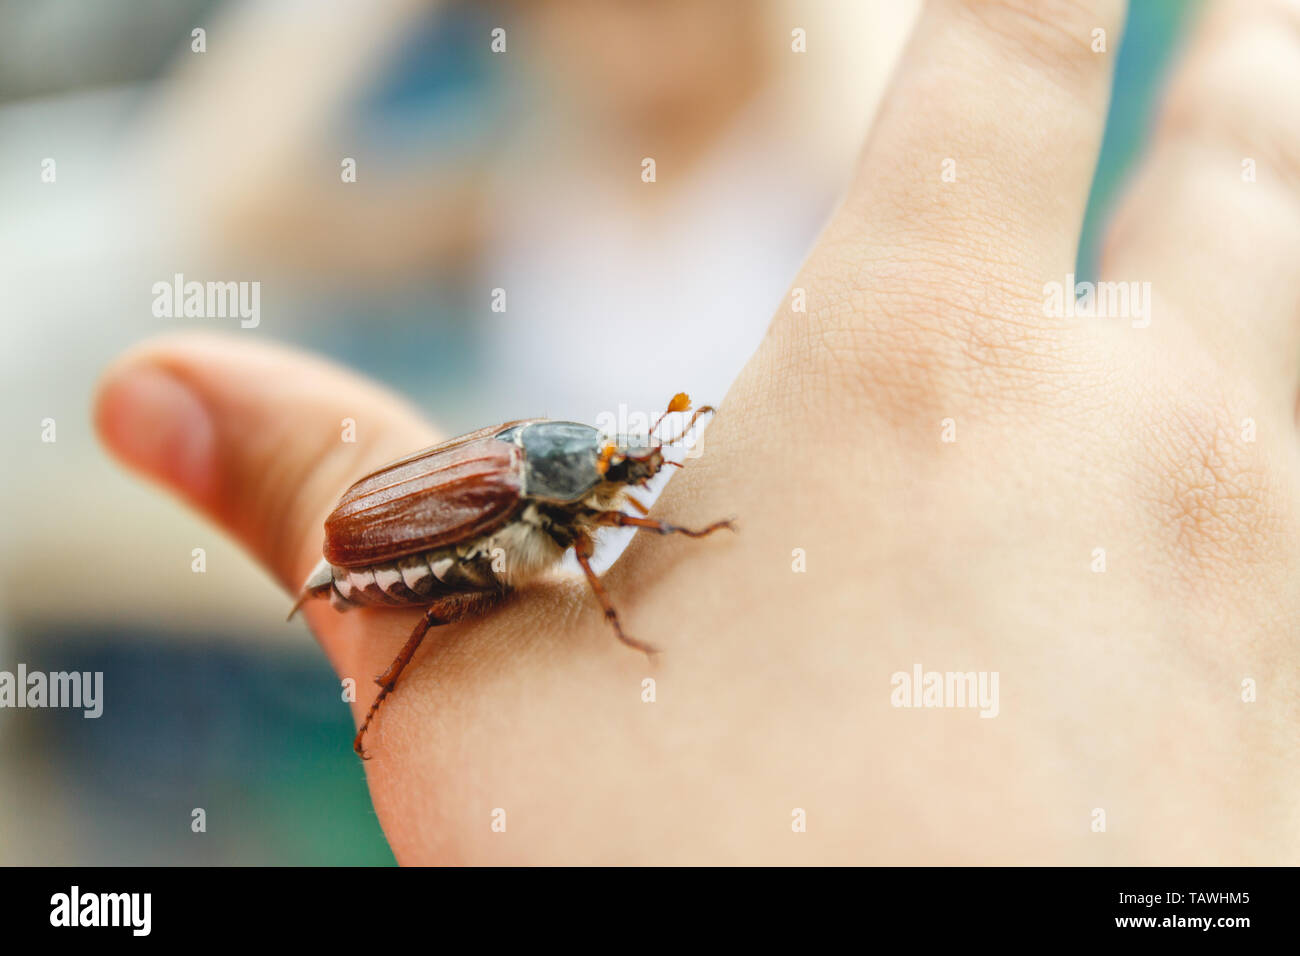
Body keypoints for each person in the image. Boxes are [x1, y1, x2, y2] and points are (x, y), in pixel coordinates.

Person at [95, 0, 1300, 864]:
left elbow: (895, 56)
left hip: (813, 642)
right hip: (537, 669)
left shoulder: (813, 158)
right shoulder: (517, 188)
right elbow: (227, 191)